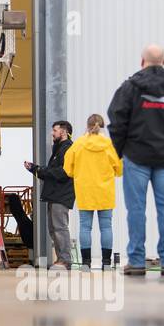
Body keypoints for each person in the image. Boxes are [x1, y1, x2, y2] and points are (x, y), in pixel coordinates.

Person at [107, 44, 164, 277]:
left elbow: (116, 120)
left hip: (137, 157)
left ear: (142, 62)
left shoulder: (129, 89)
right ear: (163, 62)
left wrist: (121, 150)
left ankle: (136, 261)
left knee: (136, 209)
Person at [63, 113, 122, 270]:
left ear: (87, 126)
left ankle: (86, 264)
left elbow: (67, 169)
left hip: (85, 191)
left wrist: (79, 174)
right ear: (102, 127)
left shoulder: (79, 144)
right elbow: (119, 169)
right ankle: (107, 263)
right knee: (106, 227)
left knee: (85, 227)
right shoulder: (109, 144)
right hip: (105, 192)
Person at [24, 121, 74, 268]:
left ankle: (65, 260)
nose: (52, 133)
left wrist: (41, 170)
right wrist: (35, 169)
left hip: (61, 195)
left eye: (55, 130)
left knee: (59, 228)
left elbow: (62, 172)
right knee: (54, 229)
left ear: (63, 132)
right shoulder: (59, 149)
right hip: (55, 195)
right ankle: (61, 259)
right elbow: (52, 173)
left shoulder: (67, 149)